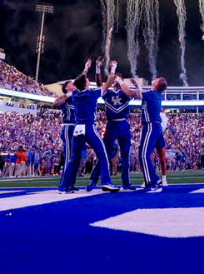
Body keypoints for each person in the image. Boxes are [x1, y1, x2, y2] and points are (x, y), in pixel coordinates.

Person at [62, 60, 119, 193]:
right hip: (88, 127)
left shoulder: (75, 93)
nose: (88, 80)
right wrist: (113, 68)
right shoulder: (91, 94)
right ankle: (107, 182)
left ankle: (64, 185)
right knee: (102, 154)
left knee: (73, 158)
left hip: (77, 128)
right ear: (86, 84)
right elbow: (109, 83)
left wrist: (86, 67)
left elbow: (79, 80)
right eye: (87, 80)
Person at [90, 60, 134, 191]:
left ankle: (126, 183)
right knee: (103, 152)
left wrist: (121, 81)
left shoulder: (125, 92)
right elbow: (99, 85)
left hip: (123, 123)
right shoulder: (108, 93)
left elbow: (129, 92)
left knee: (126, 154)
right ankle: (94, 179)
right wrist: (98, 68)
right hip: (111, 125)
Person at [122, 74, 168, 193]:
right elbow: (144, 95)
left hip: (151, 125)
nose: (155, 78)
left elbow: (131, 93)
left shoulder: (152, 94)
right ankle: (155, 179)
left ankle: (151, 183)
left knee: (143, 155)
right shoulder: (155, 94)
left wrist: (119, 81)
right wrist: (137, 85)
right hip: (153, 126)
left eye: (157, 79)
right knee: (143, 154)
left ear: (156, 84)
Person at [53, 78, 79, 192]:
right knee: (69, 157)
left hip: (78, 127)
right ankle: (64, 183)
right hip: (69, 126)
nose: (73, 84)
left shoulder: (76, 97)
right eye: (70, 84)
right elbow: (55, 102)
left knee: (76, 158)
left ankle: (71, 183)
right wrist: (68, 94)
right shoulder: (66, 97)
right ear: (66, 88)